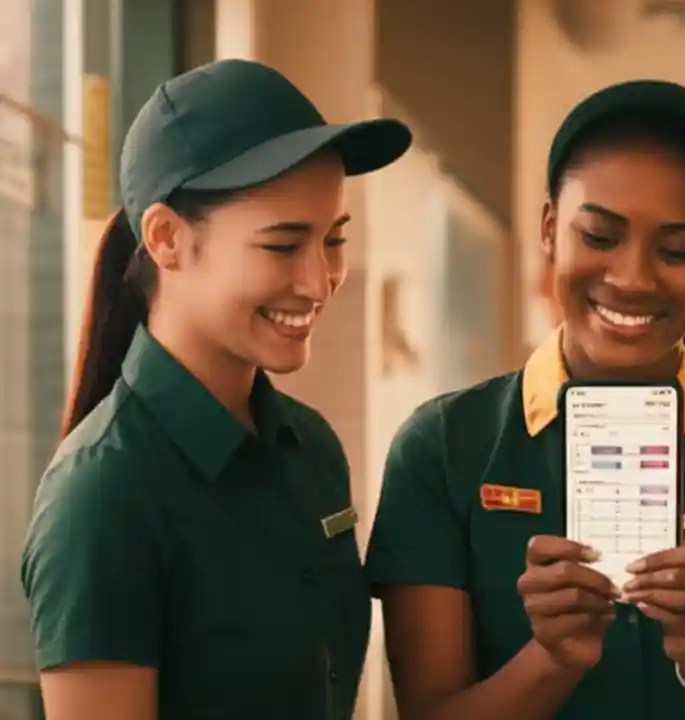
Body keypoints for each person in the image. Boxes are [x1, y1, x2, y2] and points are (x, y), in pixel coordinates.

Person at [364, 79, 685, 720]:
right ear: (550, 229)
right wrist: (551, 660)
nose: (631, 278)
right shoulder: (443, 445)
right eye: (600, 237)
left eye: (679, 251)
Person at [19, 58, 411, 720]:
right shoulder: (103, 495)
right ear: (168, 239)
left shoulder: (311, 449)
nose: (319, 283)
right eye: (282, 246)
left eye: (333, 240)